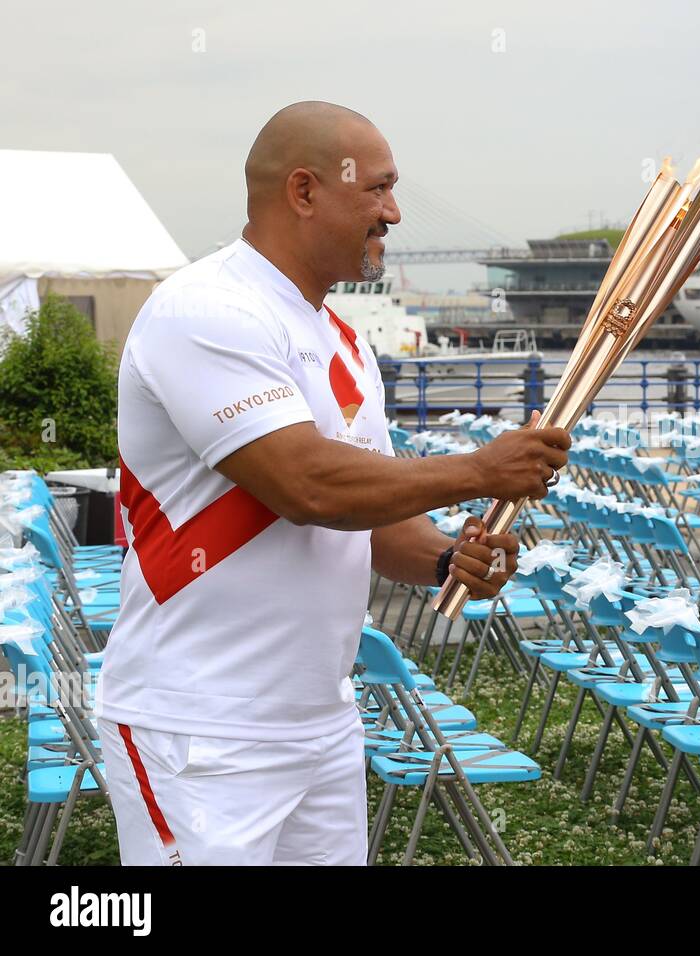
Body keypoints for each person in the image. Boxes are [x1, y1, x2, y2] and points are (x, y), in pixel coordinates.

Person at [97, 101, 570, 866]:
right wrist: (481, 470)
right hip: (201, 729)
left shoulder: (341, 339)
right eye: (377, 191)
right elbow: (304, 485)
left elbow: (374, 516)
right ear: (305, 191)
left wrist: (448, 559)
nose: (394, 211)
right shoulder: (207, 309)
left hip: (319, 721)